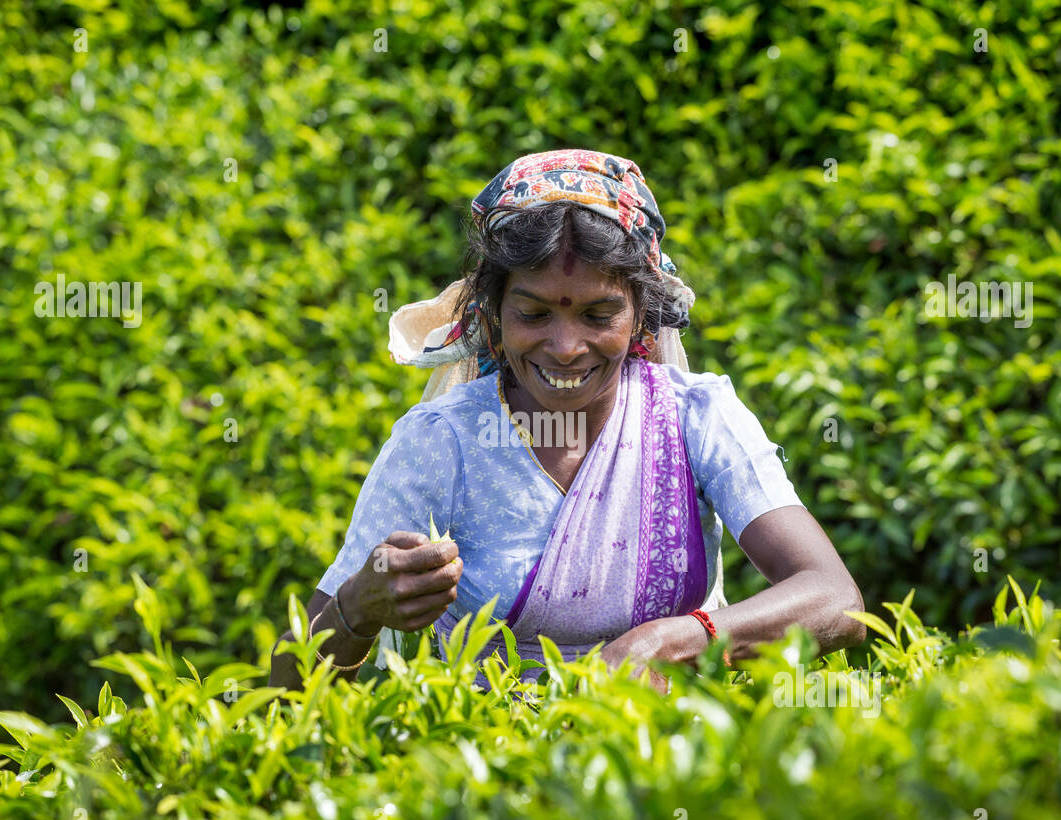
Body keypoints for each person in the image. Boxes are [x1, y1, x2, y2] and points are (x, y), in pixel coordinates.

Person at [270, 148, 865, 694]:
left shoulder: (696, 417)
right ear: (494, 316)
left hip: (679, 756)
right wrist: (358, 608)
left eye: (598, 313)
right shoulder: (442, 442)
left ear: (639, 316)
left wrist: (677, 640)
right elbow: (284, 688)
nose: (565, 346)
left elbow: (835, 599)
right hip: (490, 767)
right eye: (533, 313)